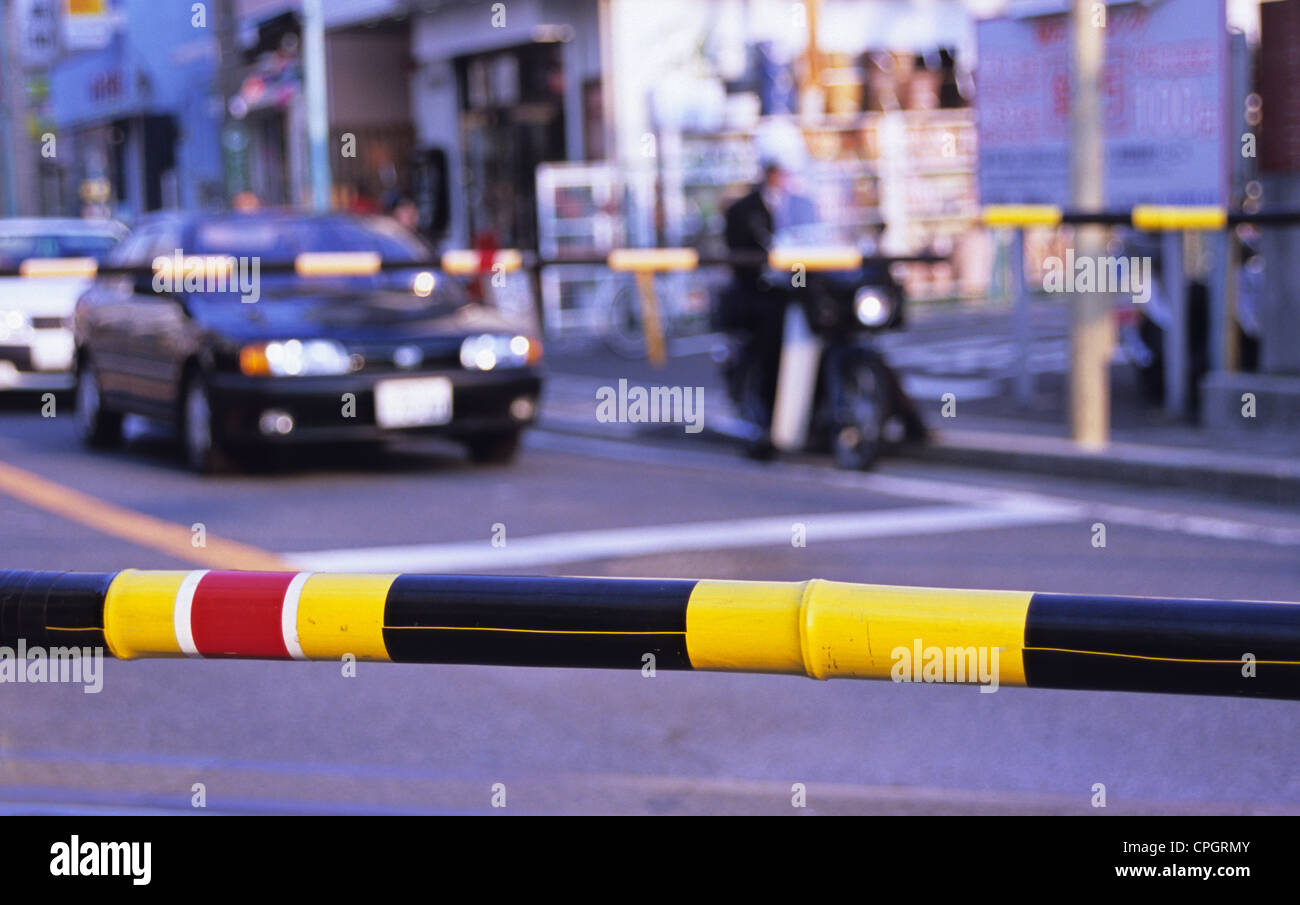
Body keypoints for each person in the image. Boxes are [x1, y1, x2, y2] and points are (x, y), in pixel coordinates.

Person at [722, 160, 792, 443]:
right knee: (768, 346)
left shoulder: (794, 205)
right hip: (757, 295)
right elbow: (746, 259)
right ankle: (763, 411)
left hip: (784, 289)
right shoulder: (745, 210)